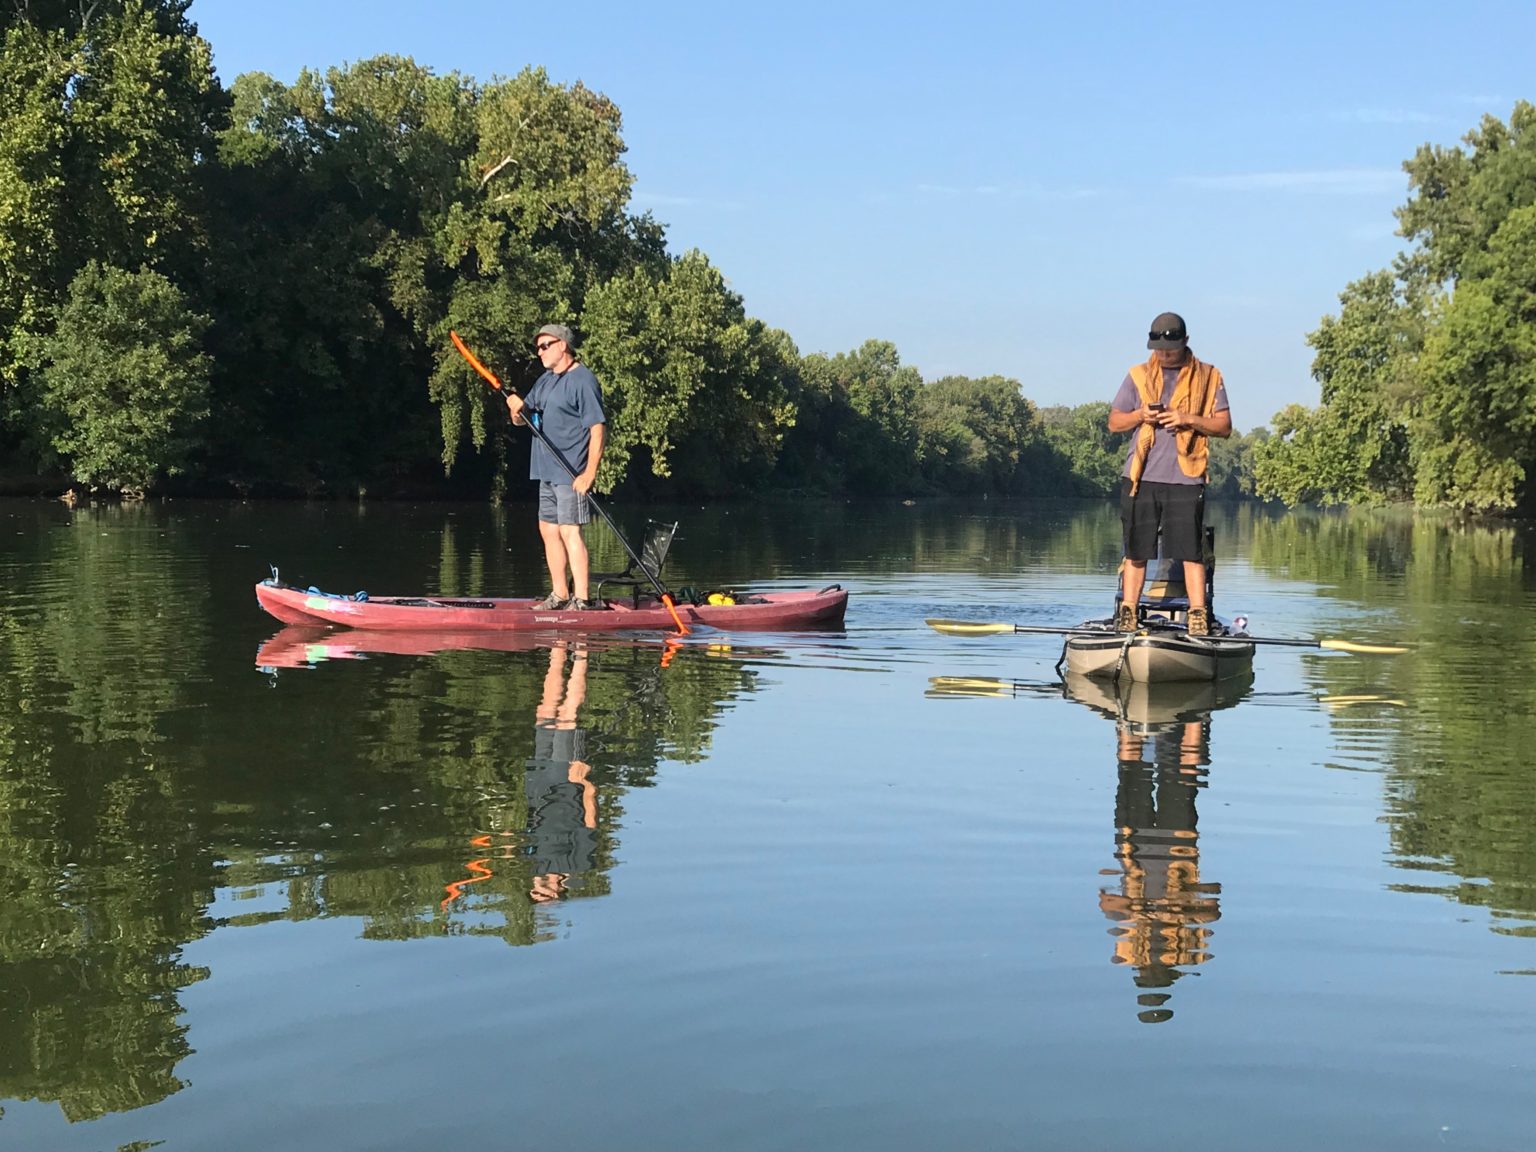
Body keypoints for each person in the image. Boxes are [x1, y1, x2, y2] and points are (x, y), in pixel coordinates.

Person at [1106, 312, 1232, 635]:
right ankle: (1128, 614)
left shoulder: (1210, 376)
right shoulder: (1136, 376)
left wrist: (1186, 418)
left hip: (1186, 477)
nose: (1163, 354)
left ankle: (1198, 615)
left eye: (1171, 349)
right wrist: (1139, 415)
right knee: (1136, 550)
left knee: (1191, 551)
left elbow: (1223, 426)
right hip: (1141, 475)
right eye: (1158, 348)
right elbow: (1114, 422)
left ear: (1185, 343)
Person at [505, 323, 608, 610]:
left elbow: (597, 429)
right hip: (545, 471)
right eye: (538, 347)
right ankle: (560, 595)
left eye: (544, 346)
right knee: (548, 530)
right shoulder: (546, 380)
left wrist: (589, 474)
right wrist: (517, 409)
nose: (539, 352)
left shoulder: (583, 380)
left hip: (571, 472)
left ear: (562, 345)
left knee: (569, 531)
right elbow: (524, 419)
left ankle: (583, 599)